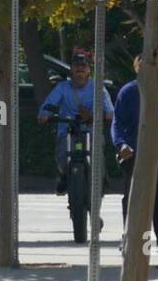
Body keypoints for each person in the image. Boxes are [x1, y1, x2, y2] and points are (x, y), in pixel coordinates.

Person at [111, 56, 158, 252]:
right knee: (132, 195)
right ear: (136, 68)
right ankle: (132, 238)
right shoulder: (128, 92)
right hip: (133, 150)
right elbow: (117, 123)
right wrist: (121, 145)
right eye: (142, 65)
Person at [37, 50, 114, 195]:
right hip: (67, 130)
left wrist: (107, 114)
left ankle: (101, 179)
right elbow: (49, 103)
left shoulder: (98, 87)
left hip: (91, 129)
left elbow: (108, 107)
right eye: (76, 66)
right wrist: (44, 114)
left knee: (98, 150)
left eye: (83, 66)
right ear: (71, 69)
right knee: (61, 154)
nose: (80, 69)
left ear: (89, 69)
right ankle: (63, 176)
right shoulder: (62, 87)